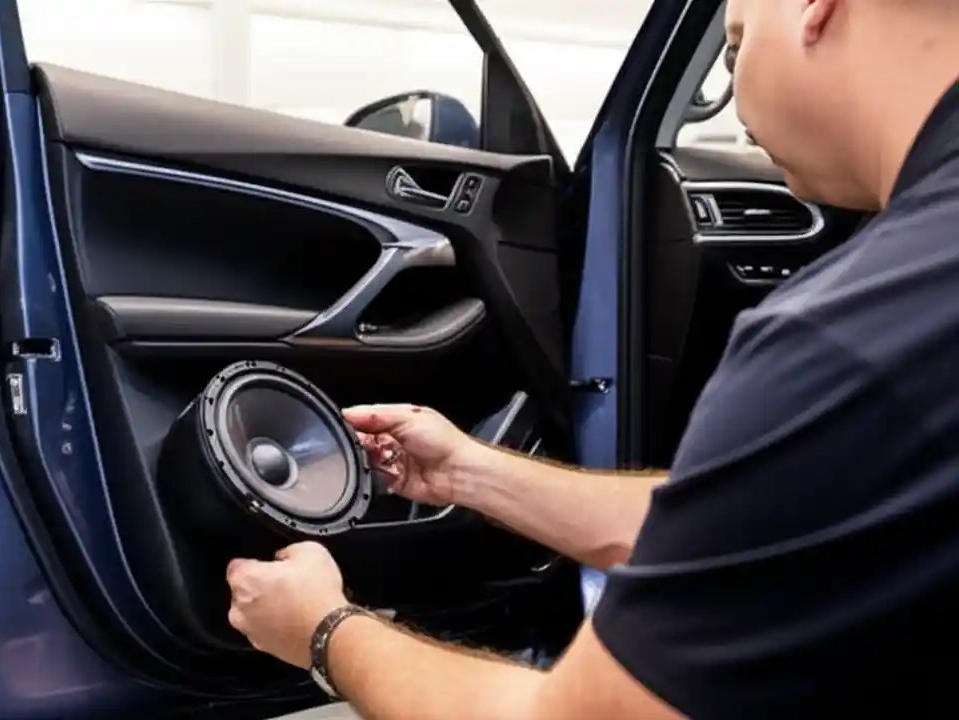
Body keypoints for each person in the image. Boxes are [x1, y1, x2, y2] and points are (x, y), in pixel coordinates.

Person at [223, 0, 959, 717]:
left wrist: (324, 630)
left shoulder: (851, 335)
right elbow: (776, 518)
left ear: (817, 8)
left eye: (734, 47)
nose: (735, 95)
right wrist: (469, 472)